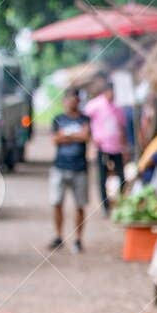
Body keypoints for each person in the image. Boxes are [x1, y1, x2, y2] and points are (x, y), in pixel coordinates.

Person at [49, 90, 90, 253]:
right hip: (60, 166)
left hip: (79, 168)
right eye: (69, 99)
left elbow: (85, 137)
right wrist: (76, 135)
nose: (72, 102)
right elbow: (55, 139)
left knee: (80, 205)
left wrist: (66, 135)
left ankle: (78, 239)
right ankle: (59, 236)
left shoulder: (85, 119)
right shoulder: (58, 119)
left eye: (74, 99)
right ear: (64, 101)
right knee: (57, 203)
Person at [84, 82, 126, 218]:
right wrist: (91, 139)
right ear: (105, 92)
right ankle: (105, 206)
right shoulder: (95, 105)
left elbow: (122, 127)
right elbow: (85, 120)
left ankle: (121, 203)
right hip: (102, 147)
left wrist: (124, 146)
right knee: (102, 178)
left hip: (116, 147)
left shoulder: (117, 108)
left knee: (121, 176)